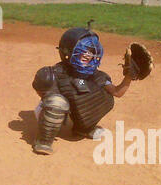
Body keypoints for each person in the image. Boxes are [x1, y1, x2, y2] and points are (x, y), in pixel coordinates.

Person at [32, 26, 132, 155]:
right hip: (49, 112)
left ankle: (83, 129)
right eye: (83, 51)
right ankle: (44, 141)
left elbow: (117, 92)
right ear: (68, 52)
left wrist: (129, 76)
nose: (88, 55)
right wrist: (56, 108)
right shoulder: (53, 73)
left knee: (103, 96)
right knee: (57, 102)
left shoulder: (97, 76)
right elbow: (43, 97)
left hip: (73, 110)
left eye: (91, 51)